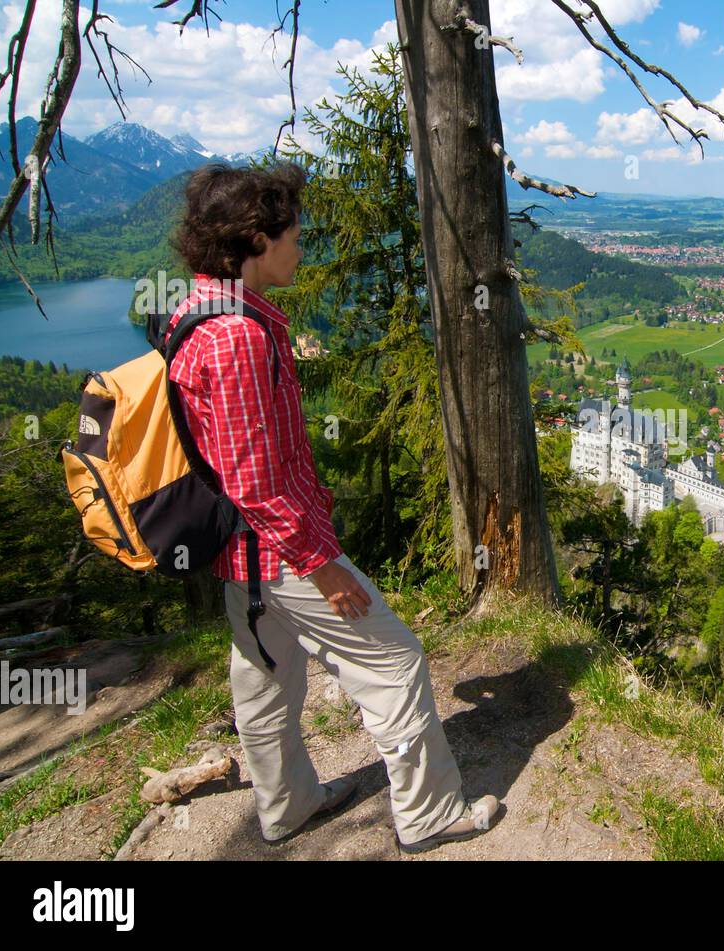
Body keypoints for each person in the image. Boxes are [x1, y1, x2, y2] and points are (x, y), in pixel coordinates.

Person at [165, 161, 500, 853]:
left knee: (265, 680)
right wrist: (324, 567)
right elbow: (255, 483)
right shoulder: (236, 338)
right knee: (395, 661)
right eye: (292, 233)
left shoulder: (199, 309)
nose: (301, 246)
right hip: (281, 553)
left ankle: (286, 806)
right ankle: (430, 814)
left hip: (240, 558)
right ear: (256, 240)